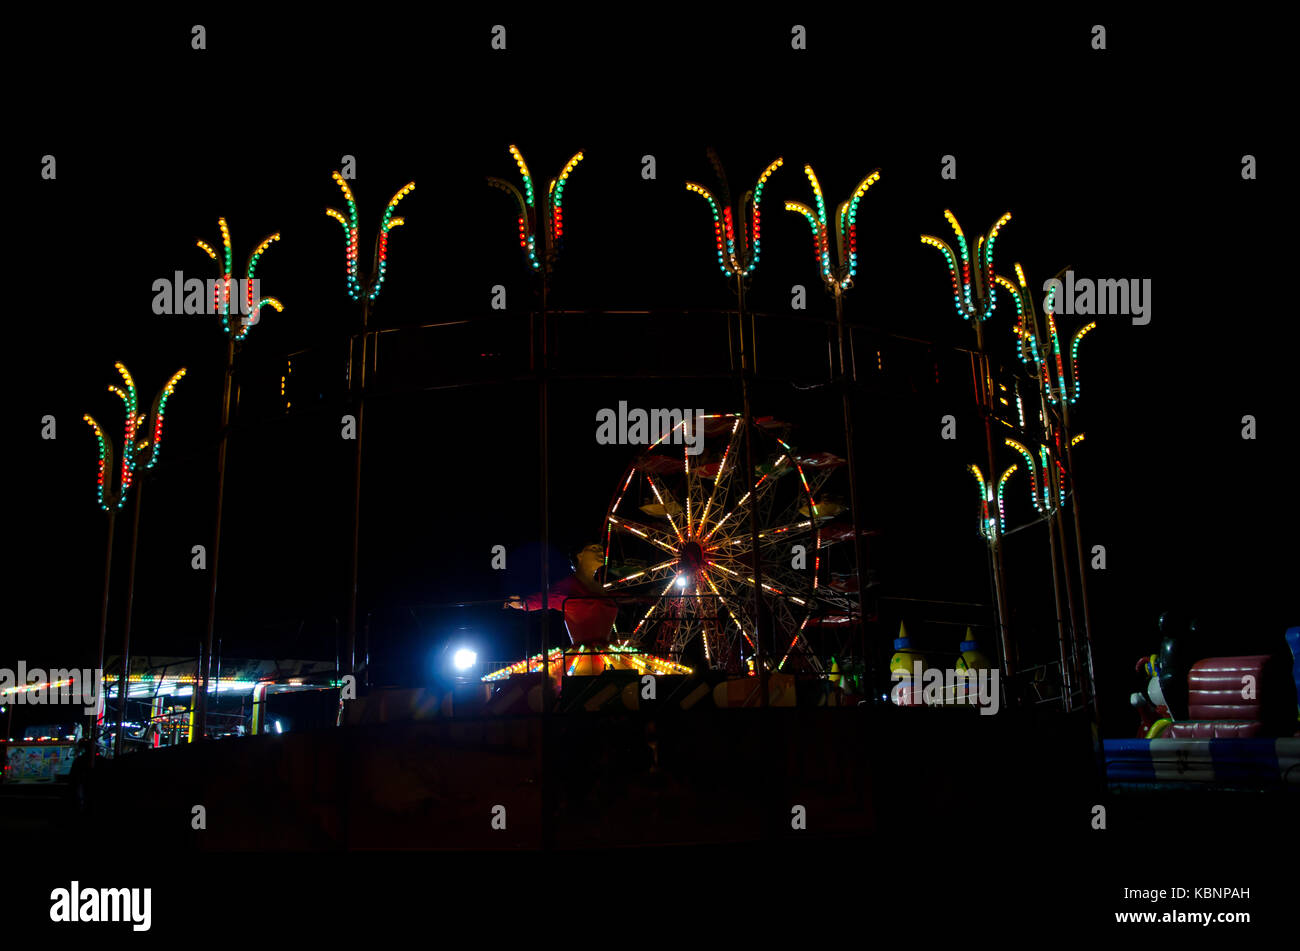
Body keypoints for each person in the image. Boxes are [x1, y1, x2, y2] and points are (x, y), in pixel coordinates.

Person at [505, 542, 618, 648]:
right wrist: (523, 603)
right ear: (580, 555)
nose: (600, 552)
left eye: (601, 549)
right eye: (594, 548)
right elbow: (549, 598)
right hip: (583, 654)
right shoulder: (569, 585)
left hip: (607, 651)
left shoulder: (600, 587)